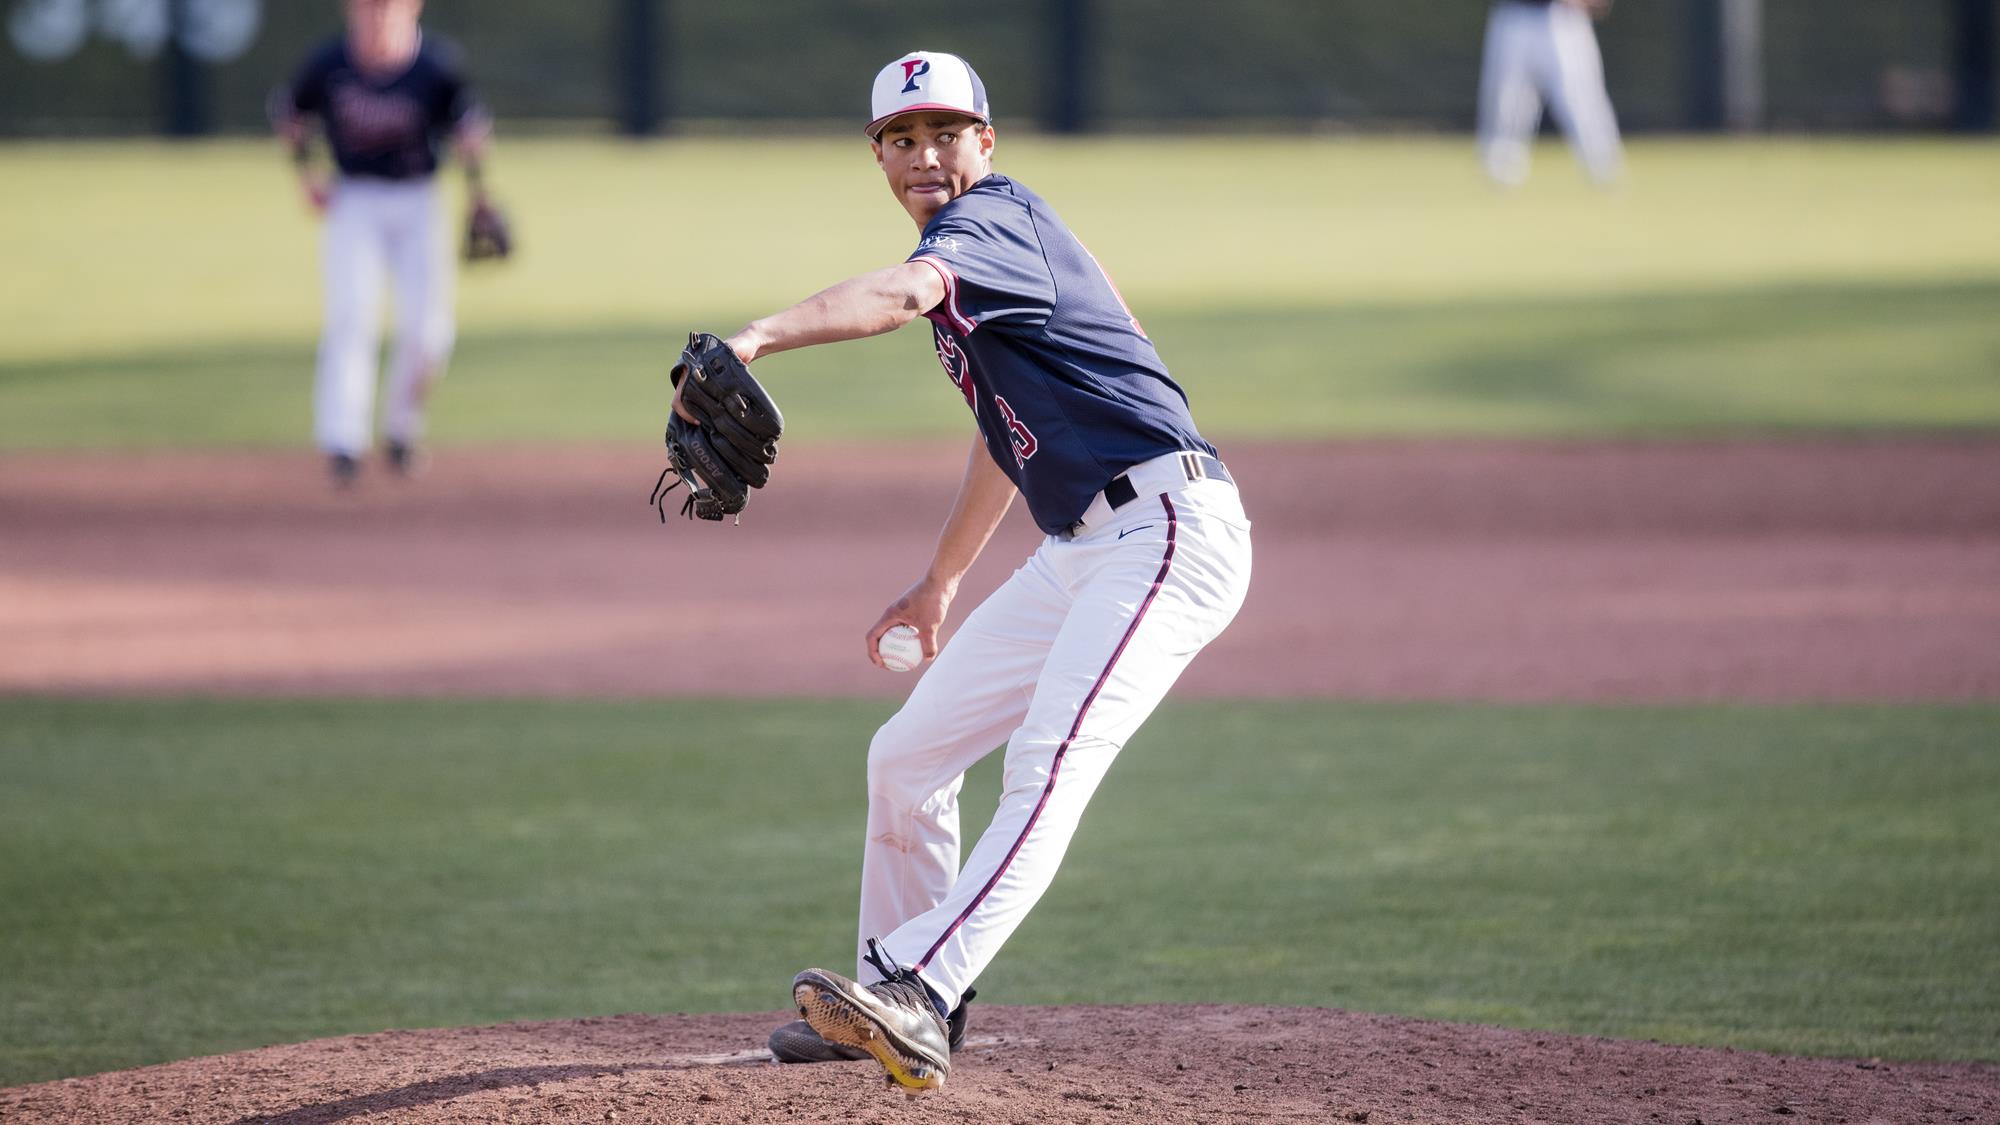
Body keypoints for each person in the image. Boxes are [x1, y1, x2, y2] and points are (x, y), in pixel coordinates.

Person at [687, 51, 1253, 1091]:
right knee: (907, 756)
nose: (923, 156)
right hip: (1082, 547)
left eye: (945, 133)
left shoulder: (989, 223)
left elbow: (904, 294)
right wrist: (942, 579)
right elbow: (1006, 437)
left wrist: (760, 336)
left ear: (984, 144)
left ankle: (921, 993)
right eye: (900, 139)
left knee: (1048, 763)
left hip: (1167, 531)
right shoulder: (986, 263)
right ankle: (880, 992)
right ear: (877, 156)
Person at [274, 0, 491, 487]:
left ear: (411, 8)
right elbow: (289, 114)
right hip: (355, 200)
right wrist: (306, 174)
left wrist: (478, 191)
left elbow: (470, 131)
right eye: (368, 7)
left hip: (419, 201)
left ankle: (401, 430)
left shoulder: (436, 66)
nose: (377, 16)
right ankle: (342, 442)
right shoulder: (329, 64)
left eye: (387, 7)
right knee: (352, 315)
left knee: (430, 332)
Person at [1476, 0, 1624, 186]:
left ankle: (1604, 168)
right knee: (1508, 100)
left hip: (1563, 19)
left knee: (1580, 99)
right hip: (1515, 14)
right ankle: (1500, 171)